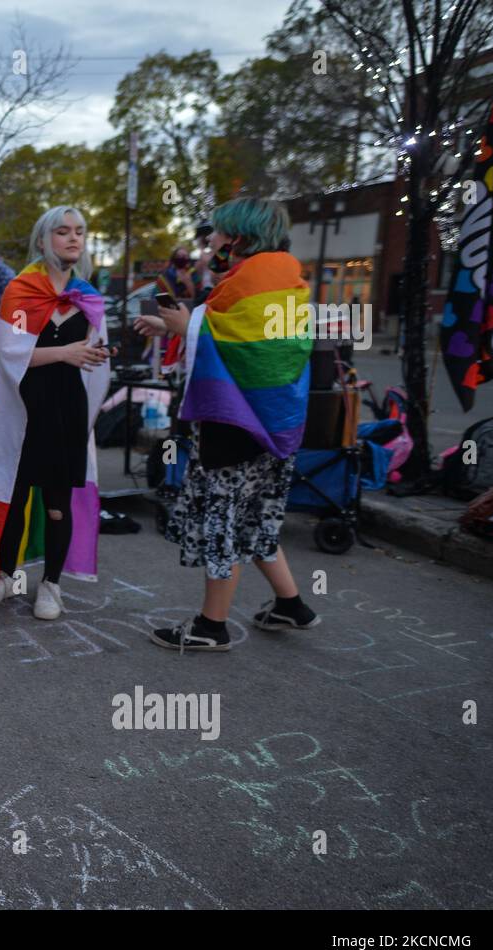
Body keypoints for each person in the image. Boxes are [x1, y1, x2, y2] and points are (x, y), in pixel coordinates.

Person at [137, 197, 320, 651]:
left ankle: (210, 626)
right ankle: (291, 604)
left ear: (237, 238)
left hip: (237, 425)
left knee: (223, 519)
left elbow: (236, 345)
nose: (210, 241)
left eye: (217, 234)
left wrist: (186, 327)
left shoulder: (253, 276)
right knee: (256, 518)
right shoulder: (283, 272)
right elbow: (246, 335)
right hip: (275, 424)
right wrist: (177, 326)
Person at [0, 207, 112, 621]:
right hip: (24, 410)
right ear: (42, 240)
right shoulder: (21, 289)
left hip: (69, 409)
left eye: (80, 232)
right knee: (13, 500)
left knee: (57, 503)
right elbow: (8, 352)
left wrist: (98, 354)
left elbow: (97, 356)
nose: (73, 239)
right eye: (63, 232)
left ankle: (51, 585)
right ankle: (3, 576)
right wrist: (67, 353)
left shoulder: (88, 296)